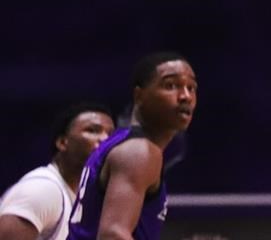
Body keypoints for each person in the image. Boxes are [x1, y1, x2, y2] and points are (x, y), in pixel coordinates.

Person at [66, 53, 196, 240]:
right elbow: (113, 235)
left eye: (191, 88)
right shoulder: (138, 151)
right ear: (139, 96)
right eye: (170, 86)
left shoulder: (121, 142)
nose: (185, 96)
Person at [0, 103, 114, 240]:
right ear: (62, 142)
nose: (105, 139)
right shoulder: (43, 189)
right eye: (92, 130)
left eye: (111, 135)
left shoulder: (81, 197)